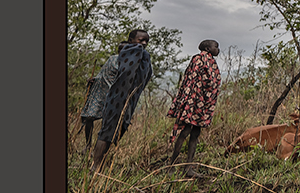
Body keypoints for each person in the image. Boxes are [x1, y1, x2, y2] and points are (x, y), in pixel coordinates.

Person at [88, 29, 154, 172]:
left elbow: (145, 76)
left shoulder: (144, 57)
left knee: (116, 133)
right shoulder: (127, 53)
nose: (143, 43)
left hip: (129, 101)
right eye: (140, 40)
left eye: (146, 41)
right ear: (131, 41)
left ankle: (101, 162)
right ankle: (95, 166)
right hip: (116, 99)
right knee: (106, 132)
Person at [165, 40, 222, 172]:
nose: (218, 49)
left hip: (204, 104)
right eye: (216, 47)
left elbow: (212, 82)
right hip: (193, 102)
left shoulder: (211, 62)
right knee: (185, 132)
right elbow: (190, 80)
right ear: (208, 48)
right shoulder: (198, 59)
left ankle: (188, 167)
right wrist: (187, 103)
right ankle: (171, 165)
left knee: (195, 133)